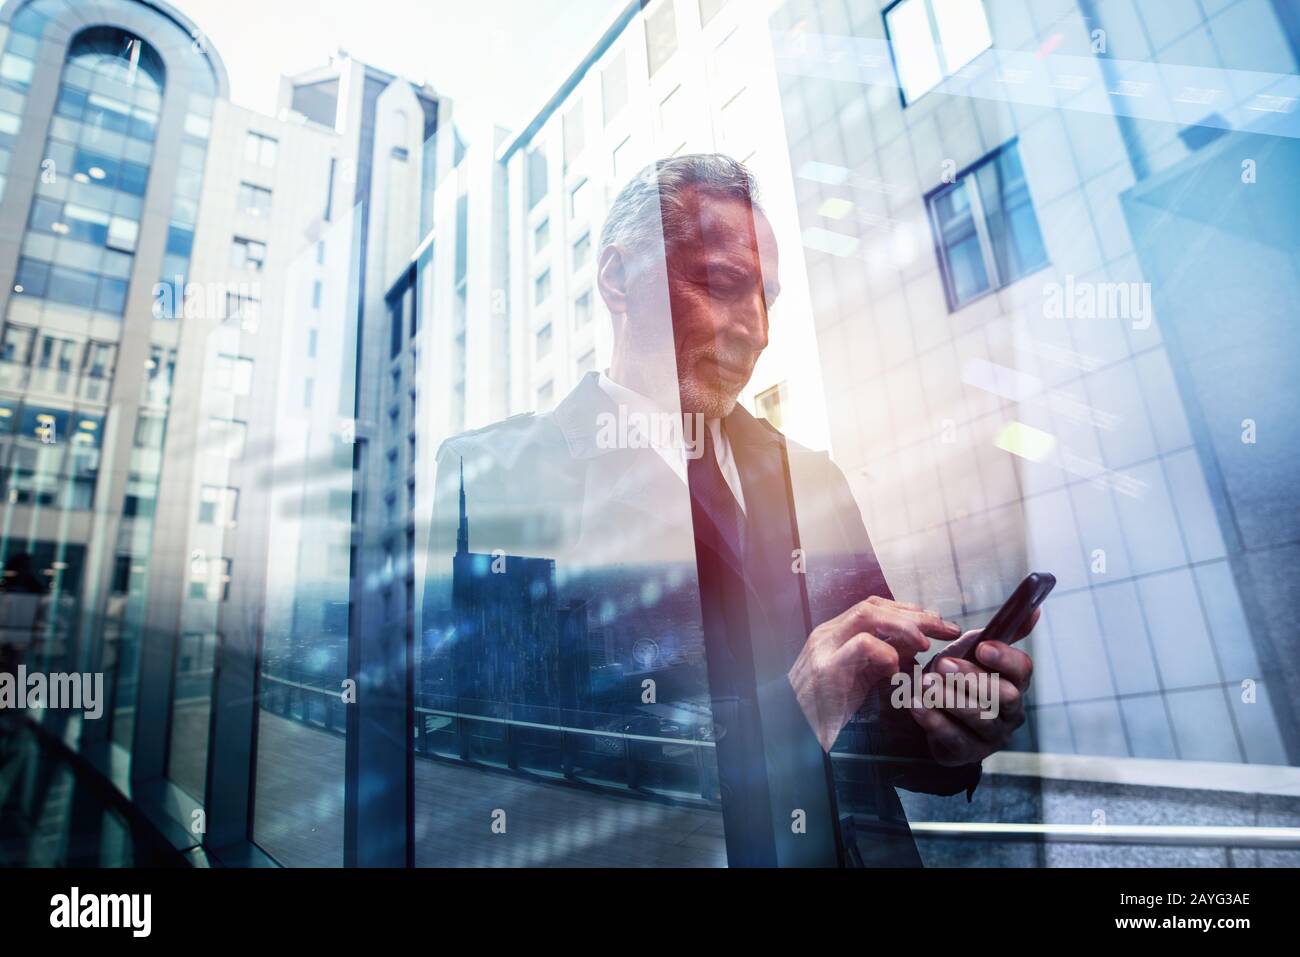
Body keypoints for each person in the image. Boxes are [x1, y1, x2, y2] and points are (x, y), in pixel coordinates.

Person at [424, 154, 1036, 867]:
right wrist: (783, 716)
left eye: (767, 298)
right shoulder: (500, 477)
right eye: (722, 283)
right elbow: (493, 756)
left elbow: (867, 718)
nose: (756, 330)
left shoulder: (812, 478)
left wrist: (942, 721)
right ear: (618, 280)